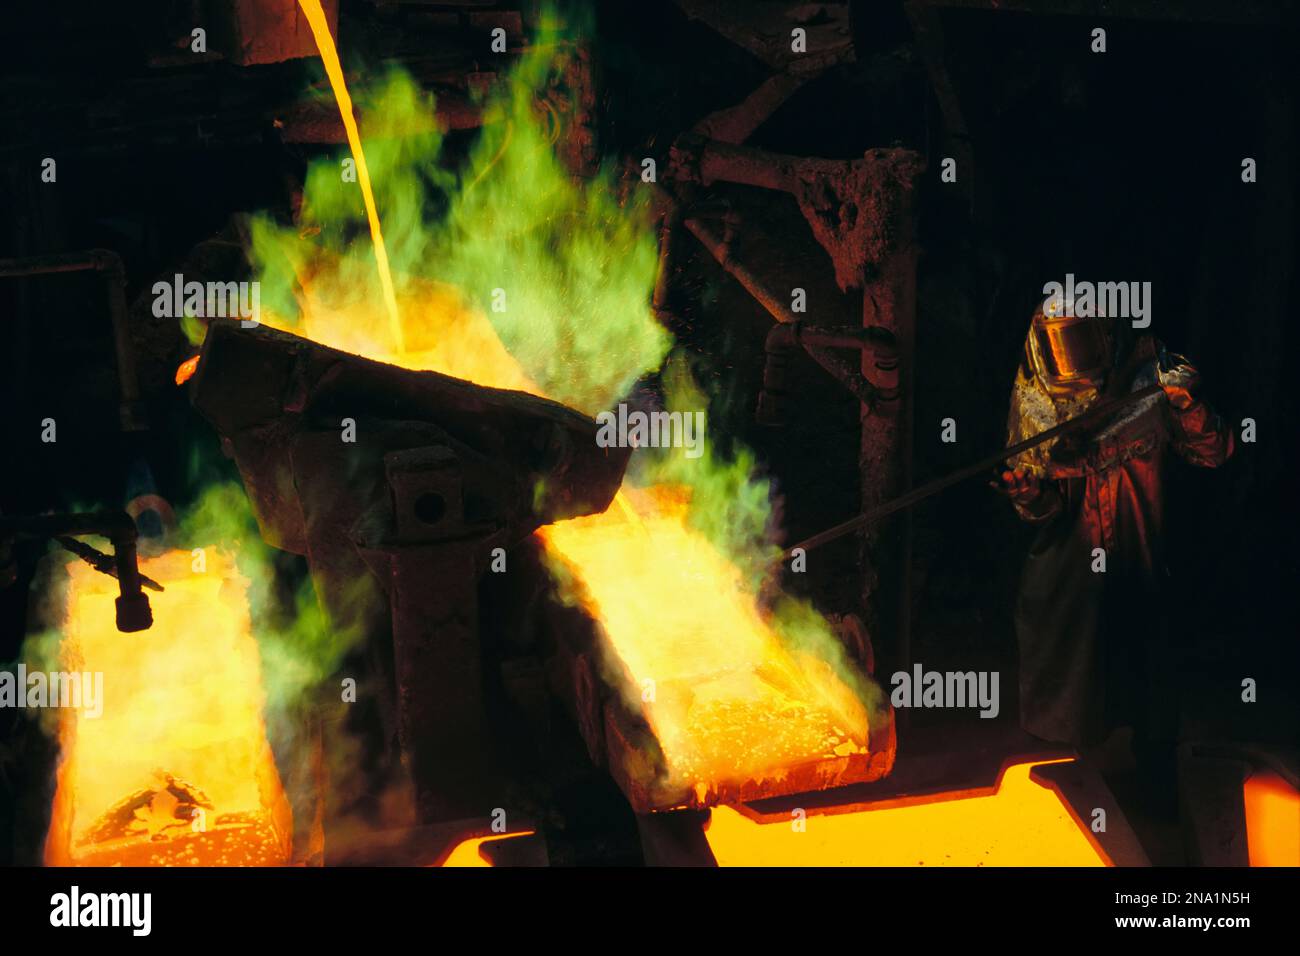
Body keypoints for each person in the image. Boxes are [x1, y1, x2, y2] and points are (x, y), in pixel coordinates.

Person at [1001, 295, 1234, 794]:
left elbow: (1216, 451)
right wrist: (1029, 493)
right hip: (1068, 579)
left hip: (1140, 559)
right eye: (1059, 342)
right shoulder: (1036, 396)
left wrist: (1187, 404)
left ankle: (1153, 798)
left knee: (1147, 684)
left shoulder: (1151, 381)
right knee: (1070, 703)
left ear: (1106, 332)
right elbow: (1044, 509)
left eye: (1081, 338)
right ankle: (1069, 806)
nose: (1072, 356)